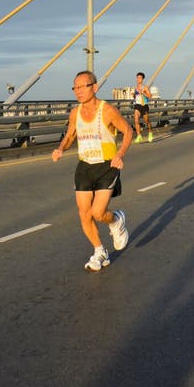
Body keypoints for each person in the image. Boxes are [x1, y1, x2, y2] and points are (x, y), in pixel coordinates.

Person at [52, 70, 133, 271]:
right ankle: (99, 251)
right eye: (75, 87)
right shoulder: (75, 113)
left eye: (82, 87)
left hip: (107, 166)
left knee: (98, 213)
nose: (78, 91)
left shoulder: (108, 110)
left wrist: (120, 154)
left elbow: (128, 130)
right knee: (84, 214)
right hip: (85, 166)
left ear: (94, 88)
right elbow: (70, 136)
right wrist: (61, 148)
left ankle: (116, 220)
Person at [133, 71, 153, 143]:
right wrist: (133, 95)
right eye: (137, 78)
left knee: (147, 121)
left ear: (142, 79)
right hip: (137, 106)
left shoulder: (145, 87)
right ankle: (139, 136)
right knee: (136, 121)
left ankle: (150, 132)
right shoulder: (135, 87)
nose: (138, 79)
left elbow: (150, 96)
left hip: (144, 106)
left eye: (140, 78)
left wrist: (143, 92)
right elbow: (135, 97)